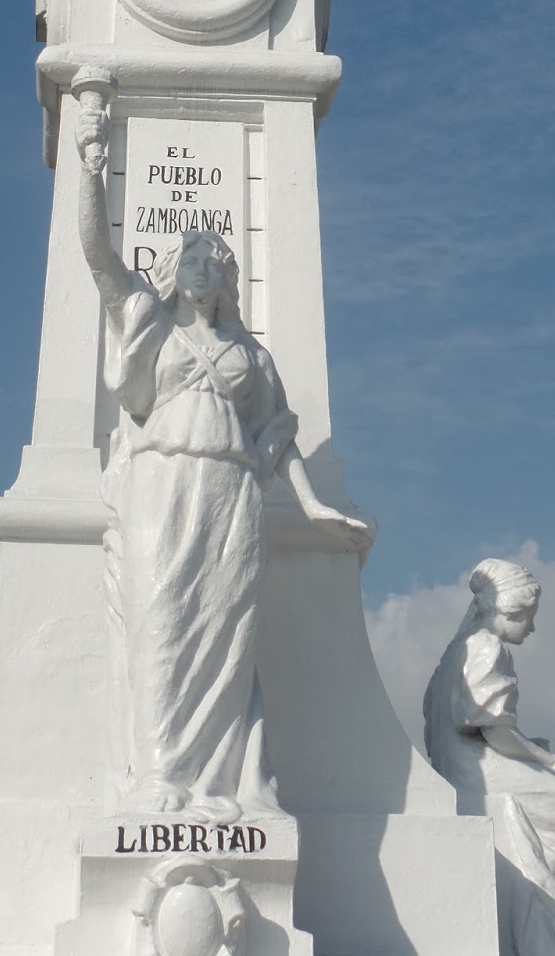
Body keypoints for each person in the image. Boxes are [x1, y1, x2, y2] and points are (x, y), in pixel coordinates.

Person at [75, 87, 370, 819]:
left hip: (232, 493)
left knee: (225, 633)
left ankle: (215, 781)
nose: (206, 264)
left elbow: (279, 432)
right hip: (162, 482)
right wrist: (90, 163)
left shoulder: (247, 353)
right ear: (175, 268)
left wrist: (314, 506)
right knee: (161, 618)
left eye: (216, 256)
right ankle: (155, 778)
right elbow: (97, 254)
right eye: (195, 254)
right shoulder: (146, 316)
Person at [423, 559, 555, 956]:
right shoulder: (487, 646)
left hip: (464, 762)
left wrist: (535, 751)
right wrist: (548, 762)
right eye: (528, 618)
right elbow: (492, 730)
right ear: (509, 611)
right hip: (476, 771)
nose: (532, 627)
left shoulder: (460, 648)